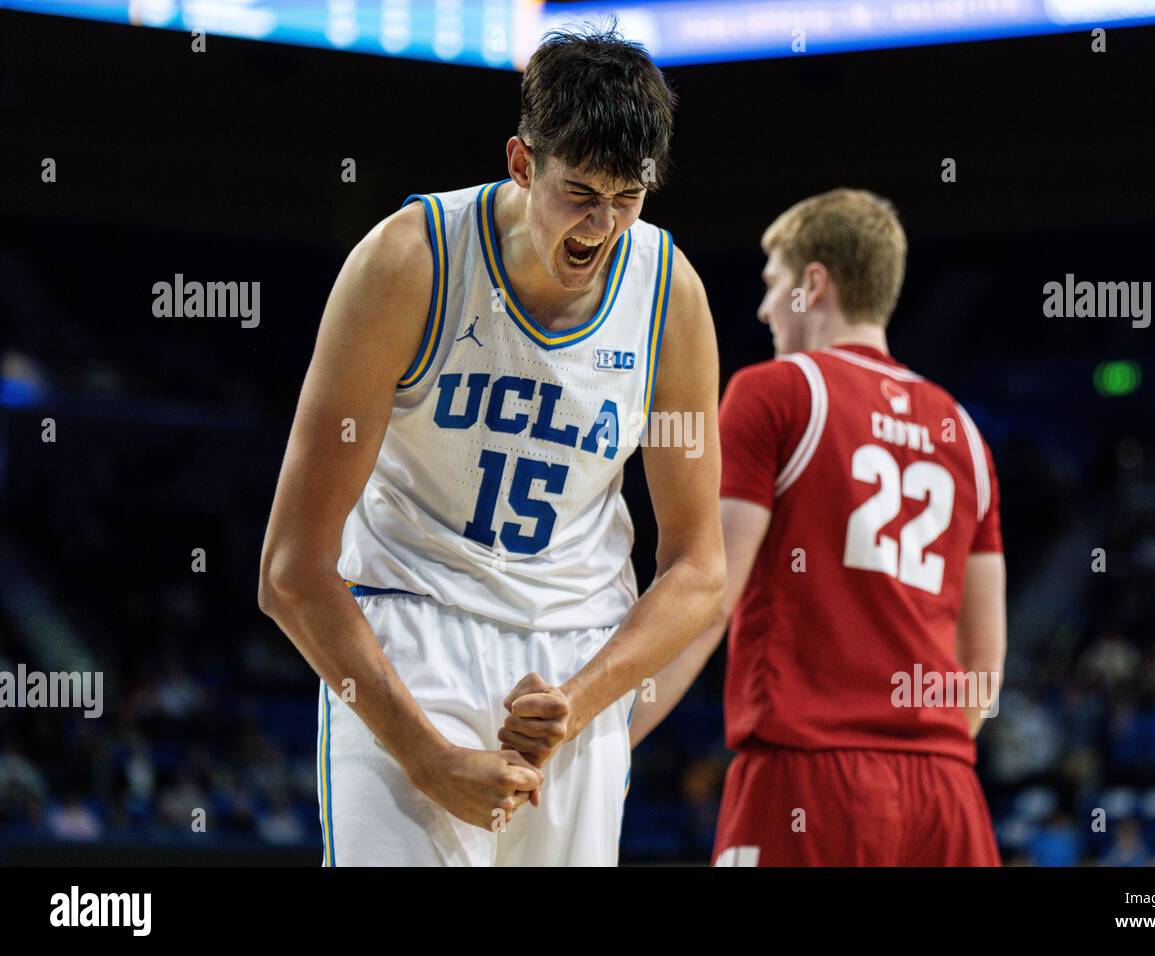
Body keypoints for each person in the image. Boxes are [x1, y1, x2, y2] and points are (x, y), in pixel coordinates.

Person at [258, 24, 724, 866]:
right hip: (412, 629)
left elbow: (698, 569)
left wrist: (580, 702)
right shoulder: (409, 263)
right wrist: (424, 756)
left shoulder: (670, 294)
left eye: (628, 198)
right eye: (581, 192)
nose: (603, 225)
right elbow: (291, 569)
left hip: (576, 653)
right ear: (521, 162)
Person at [631, 188, 1005, 866]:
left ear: (814, 283)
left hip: (809, 777)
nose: (764, 306)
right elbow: (983, 668)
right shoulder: (965, 434)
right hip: (947, 791)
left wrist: (611, 733)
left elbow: (706, 596)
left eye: (772, 284)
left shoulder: (776, 391)